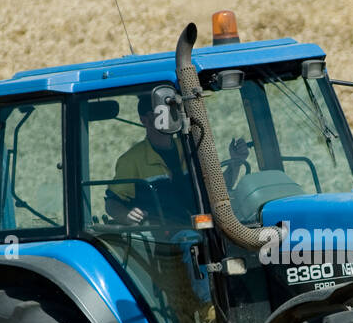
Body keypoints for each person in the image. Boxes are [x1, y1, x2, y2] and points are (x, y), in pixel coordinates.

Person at [105, 92, 249, 226]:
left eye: (171, 112)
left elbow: (219, 190)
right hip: (162, 240)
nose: (169, 117)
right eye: (161, 113)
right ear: (144, 120)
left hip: (203, 227)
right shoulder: (131, 160)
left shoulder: (191, 147)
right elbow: (112, 203)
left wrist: (235, 162)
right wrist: (126, 215)